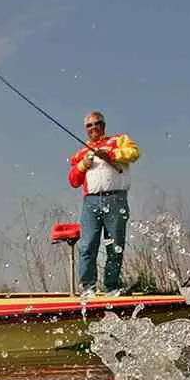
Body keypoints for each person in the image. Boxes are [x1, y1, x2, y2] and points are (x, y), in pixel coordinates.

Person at [67, 111, 140, 295]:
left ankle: (111, 286)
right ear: (85, 129)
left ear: (103, 125)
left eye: (97, 123)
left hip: (116, 199)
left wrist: (112, 154)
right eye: (89, 125)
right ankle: (88, 288)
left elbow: (134, 153)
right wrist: (83, 165)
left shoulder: (118, 140)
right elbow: (73, 181)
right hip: (91, 202)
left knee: (115, 245)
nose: (93, 128)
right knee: (88, 244)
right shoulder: (81, 152)